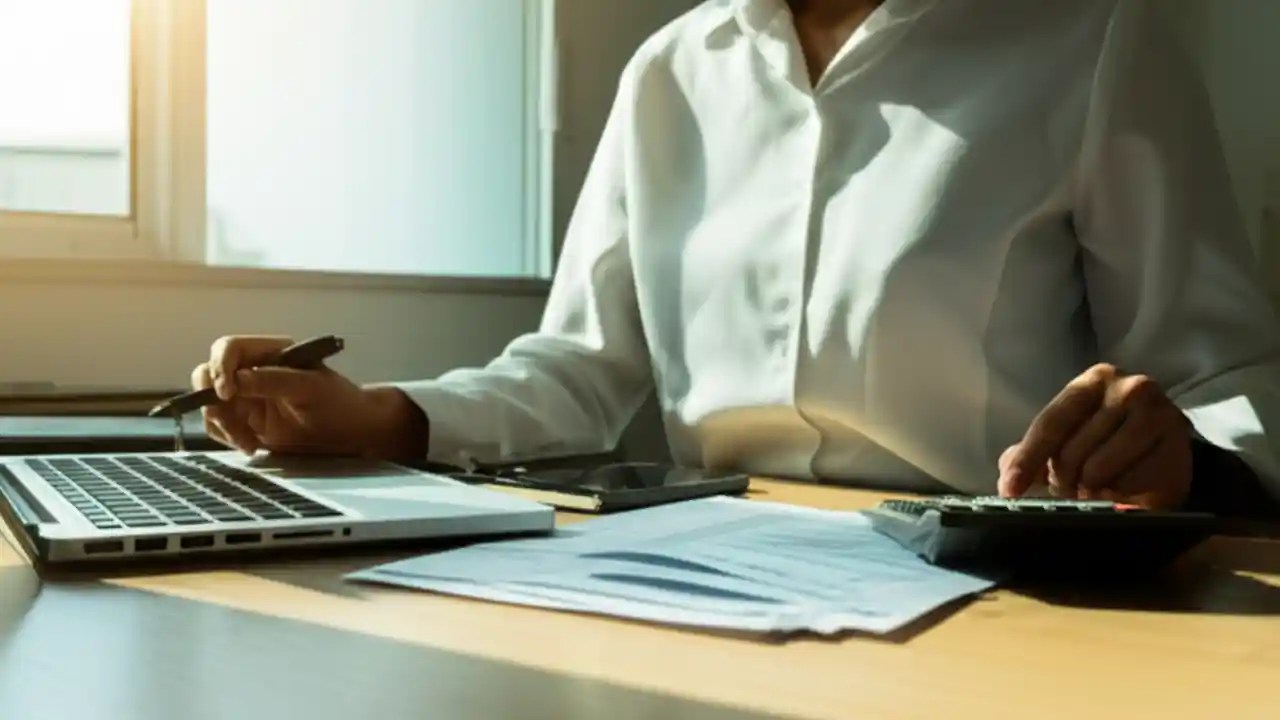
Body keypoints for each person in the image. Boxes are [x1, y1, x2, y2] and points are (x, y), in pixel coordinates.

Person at [192, 0, 1280, 514]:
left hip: (982, 571)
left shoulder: (1086, 41)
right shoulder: (669, 69)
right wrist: (379, 415)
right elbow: (577, 368)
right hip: (694, 561)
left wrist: (1178, 453)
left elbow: (1223, 382)